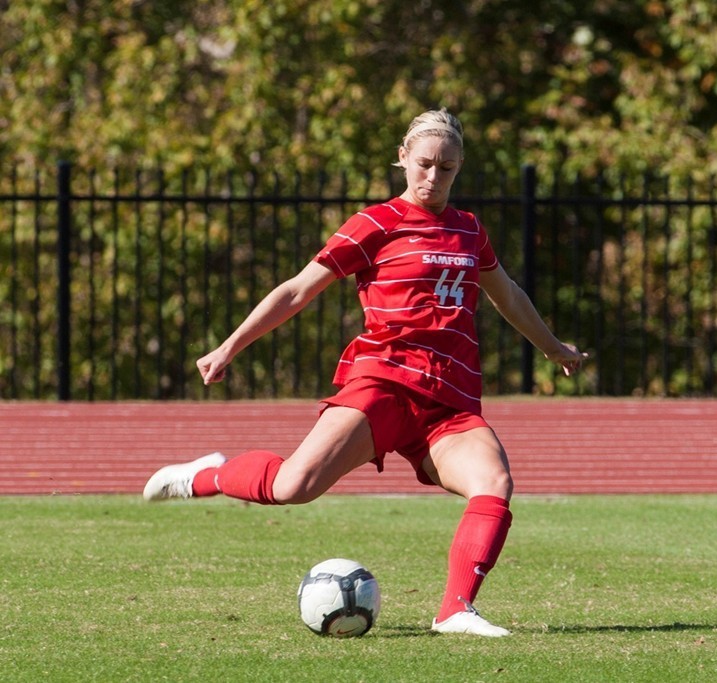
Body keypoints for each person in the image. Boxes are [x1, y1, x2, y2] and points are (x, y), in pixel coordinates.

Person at [143, 107, 587, 635]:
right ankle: (209, 475)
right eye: (424, 164)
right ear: (403, 158)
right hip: (384, 382)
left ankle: (454, 611)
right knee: (293, 486)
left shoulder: (469, 230)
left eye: (446, 168)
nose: (433, 176)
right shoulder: (376, 223)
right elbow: (297, 290)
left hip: (449, 399)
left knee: (494, 482)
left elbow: (507, 295)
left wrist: (553, 347)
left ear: (459, 167)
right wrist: (229, 346)